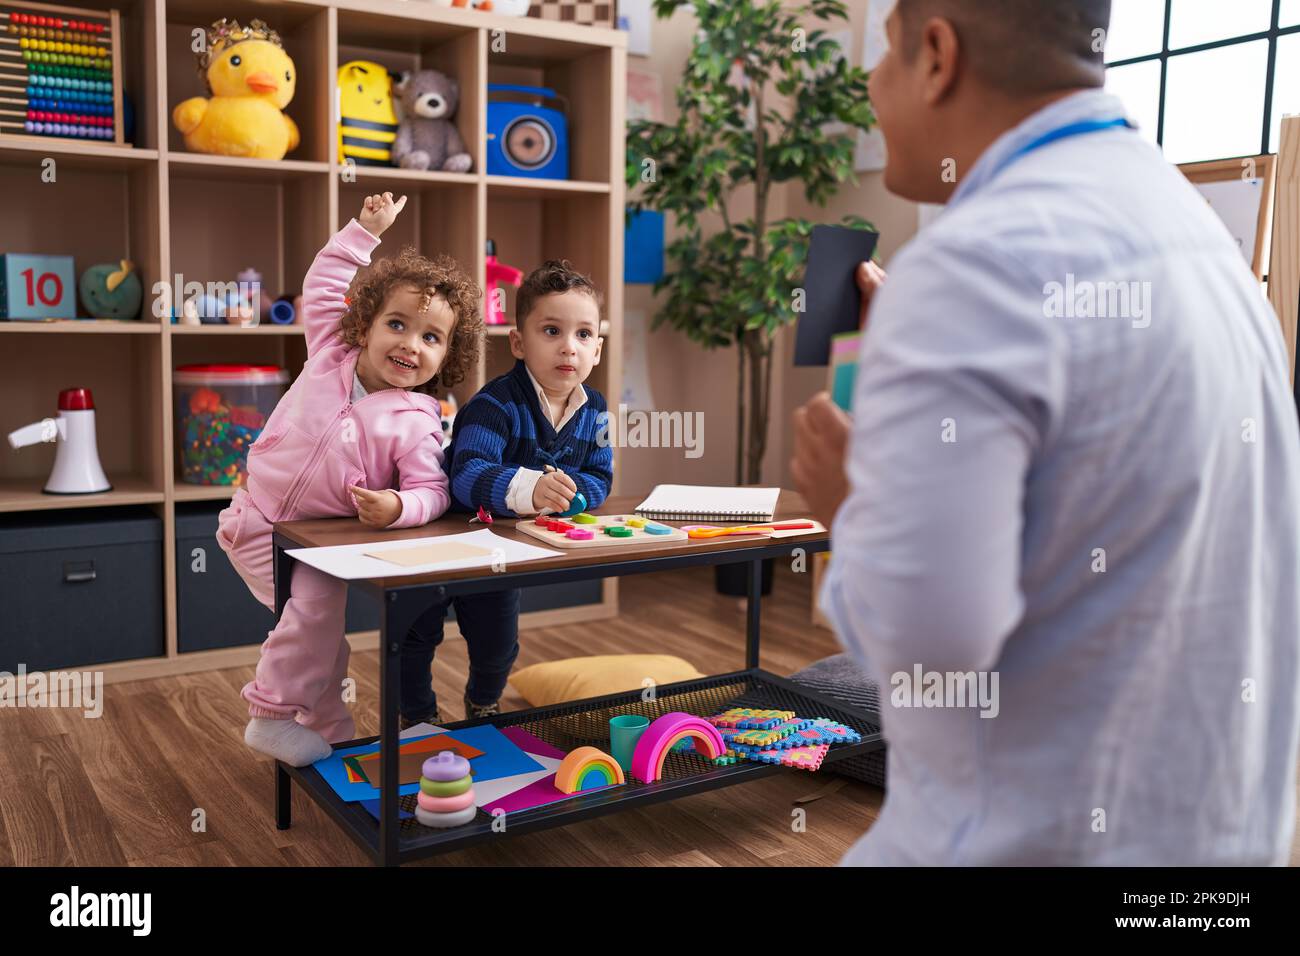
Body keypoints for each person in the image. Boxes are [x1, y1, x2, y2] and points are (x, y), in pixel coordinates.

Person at [792, 0, 1300, 865]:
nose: (873, 88)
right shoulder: (1204, 244)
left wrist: (854, 507)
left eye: (883, 54)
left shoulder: (973, 265)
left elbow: (932, 647)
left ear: (939, 54)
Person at [217, 192, 483, 766]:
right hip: (255, 518)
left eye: (431, 337)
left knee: (319, 633)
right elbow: (321, 283)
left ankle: (330, 731)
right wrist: (364, 232)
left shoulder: (418, 420)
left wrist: (397, 506)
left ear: (446, 356)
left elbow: (431, 492)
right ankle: (269, 715)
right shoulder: (329, 351)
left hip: (322, 544)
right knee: (312, 628)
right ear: (363, 325)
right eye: (397, 324)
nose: (410, 344)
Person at [399, 260, 614, 727]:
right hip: (444, 538)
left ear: (597, 349)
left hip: (499, 552)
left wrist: (574, 496)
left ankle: (483, 705)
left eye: (582, 336)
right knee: (416, 635)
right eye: (552, 331)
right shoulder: (495, 403)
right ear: (519, 342)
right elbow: (467, 473)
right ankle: (416, 717)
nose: (568, 348)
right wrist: (530, 489)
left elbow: (600, 475)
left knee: (498, 642)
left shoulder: (594, 409)